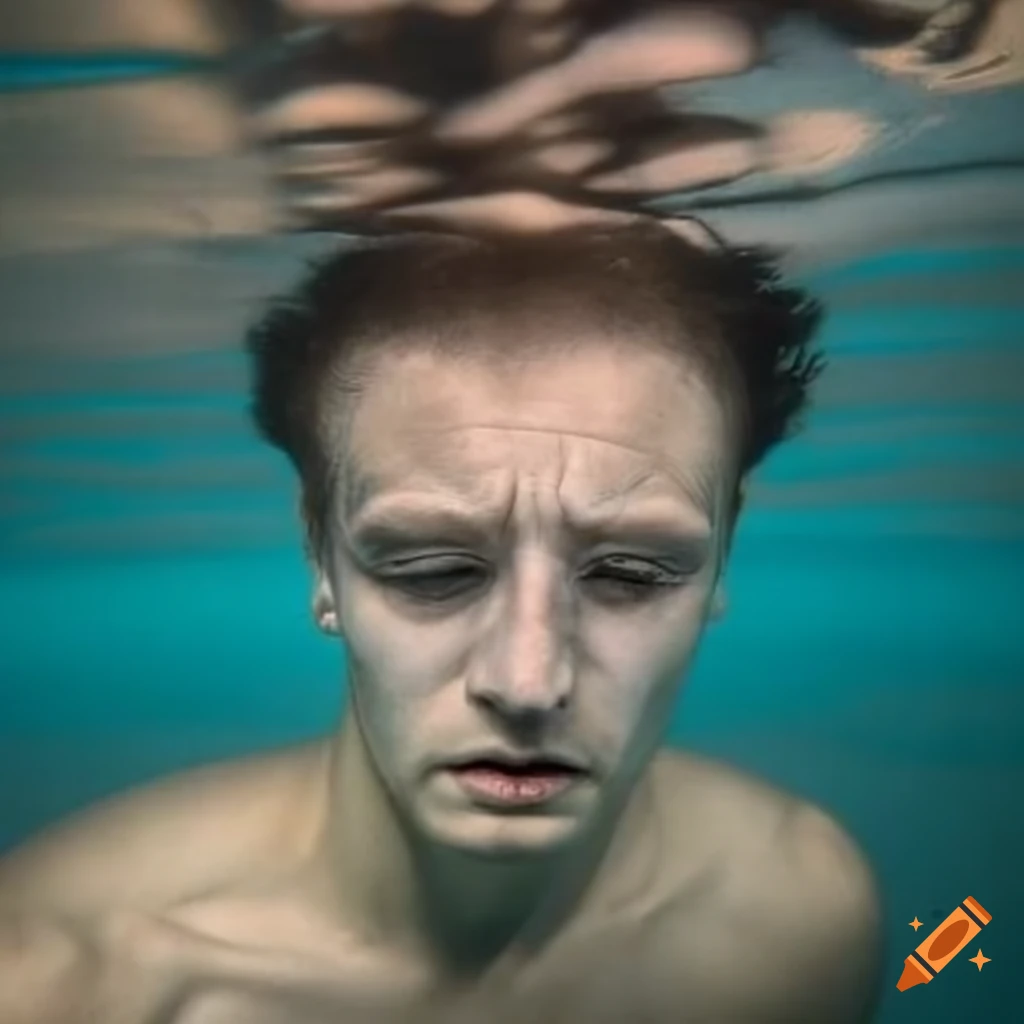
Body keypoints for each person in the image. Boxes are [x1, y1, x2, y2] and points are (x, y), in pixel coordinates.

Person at [0, 219, 884, 1023]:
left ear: (725, 552)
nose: (527, 681)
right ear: (318, 552)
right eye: (434, 570)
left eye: (629, 573)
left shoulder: (805, 917)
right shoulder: (59, 987)